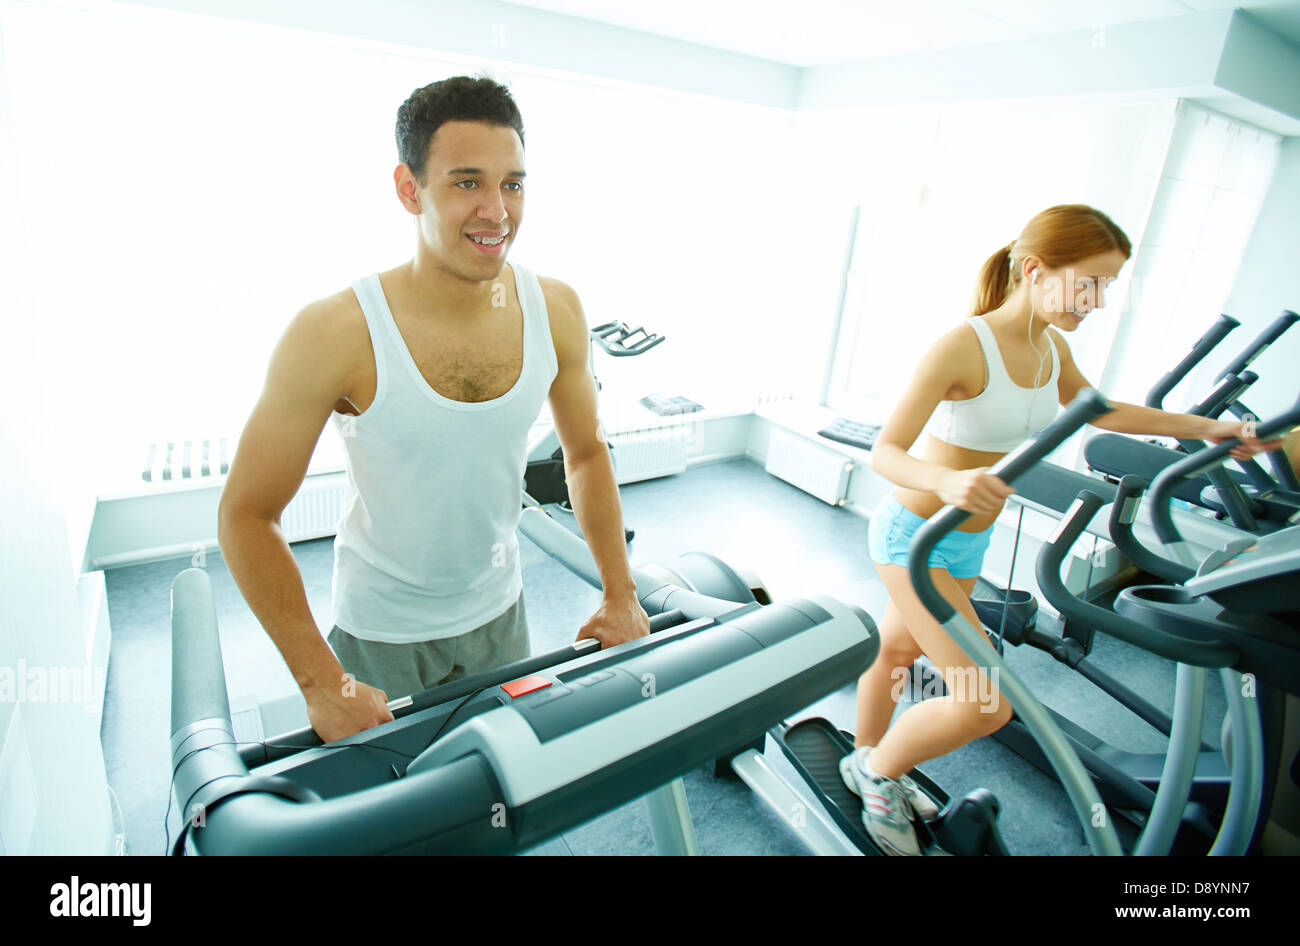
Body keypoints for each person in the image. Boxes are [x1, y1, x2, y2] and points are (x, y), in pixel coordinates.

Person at [218, 75, 649, 744]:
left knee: (502, 788)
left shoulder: (557, 310)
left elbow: (586, 453)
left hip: (501, 614)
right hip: (381, 629)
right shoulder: (336, 331)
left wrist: (620, 594)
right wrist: (321, 683)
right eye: (467, 182)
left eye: (513, 183)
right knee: (391, 824)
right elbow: (246, 515)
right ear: (408, 188)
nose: (497, 212)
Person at [840, 204, 1278, 855]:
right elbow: (886, 451)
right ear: (1036, 269)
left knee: (899, 653)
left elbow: (1105, 413)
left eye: (1107, 287)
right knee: (982, 704)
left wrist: (1208, 428)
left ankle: (864, 759)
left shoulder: (1051, 347)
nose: (1098, 301)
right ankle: (877, 773)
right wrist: (946, 482)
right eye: (1089, 283)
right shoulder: (964, 344)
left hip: (964, 542)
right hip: (915, 535)